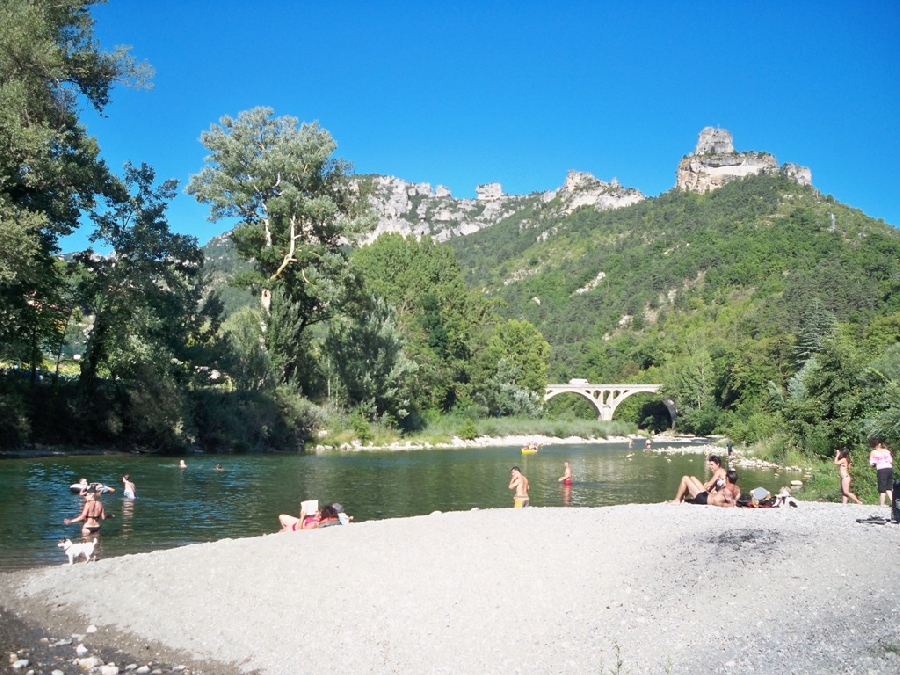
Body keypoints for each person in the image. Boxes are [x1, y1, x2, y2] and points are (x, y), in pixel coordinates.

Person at [868, 438, 893, 508]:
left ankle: (882, 504)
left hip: (881, 469)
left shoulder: (873, 452)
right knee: (889, 486)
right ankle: (892, 500)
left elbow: (872, 463)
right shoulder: (887, 451)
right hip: (889, 468)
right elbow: (891, 460)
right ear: (880, 444)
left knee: (882, 487)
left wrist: (876, 464)